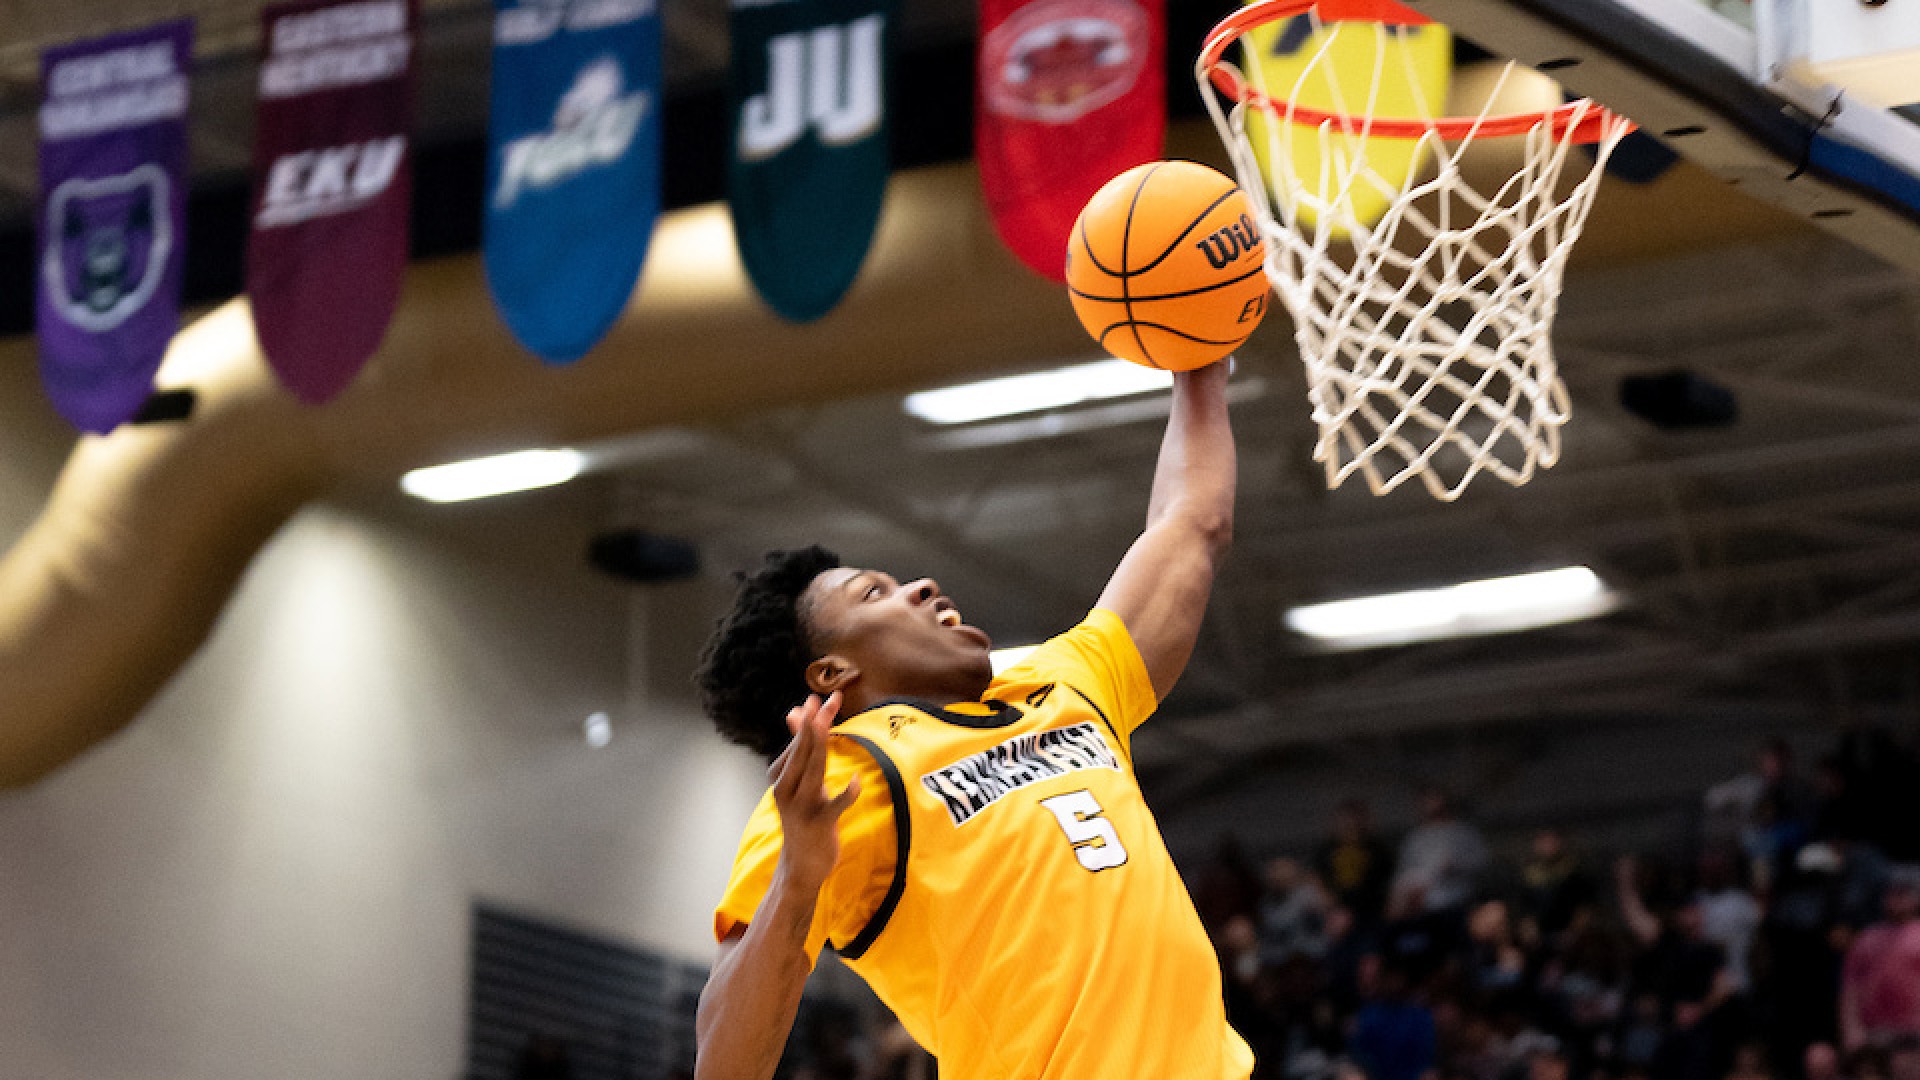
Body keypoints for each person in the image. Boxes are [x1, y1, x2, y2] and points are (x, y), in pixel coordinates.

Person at [692, 362, 1249, 1080]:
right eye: (876, 593)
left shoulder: (1062, 683)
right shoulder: (838, 780)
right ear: (832, 675)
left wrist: (1198, 363)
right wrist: (797, 882)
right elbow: (724, 1068)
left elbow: (1193, 524)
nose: (923, 585)